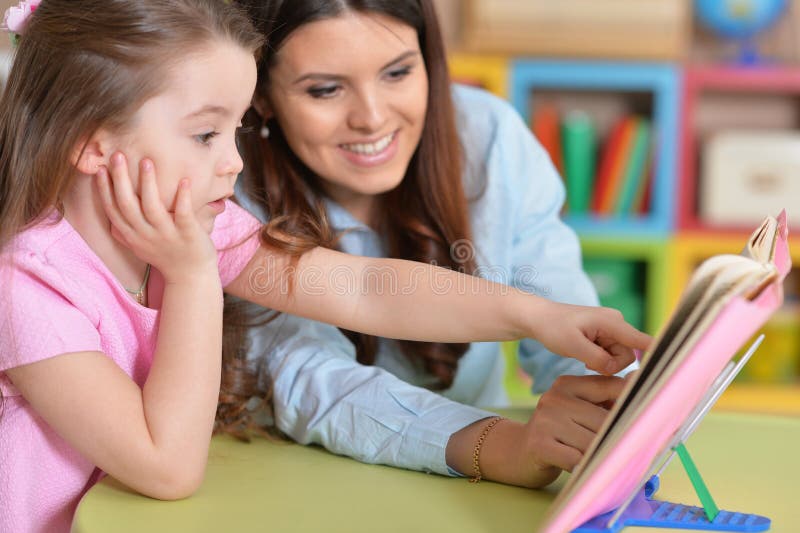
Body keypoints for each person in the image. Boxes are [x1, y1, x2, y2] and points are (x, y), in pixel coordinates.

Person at [0, 1, 649, 531]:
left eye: (233, 130)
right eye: (205, 135)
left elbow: (364, 286)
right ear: (91, 144)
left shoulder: (199, 224)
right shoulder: (28, 289)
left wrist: (539, 313)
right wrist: (195, 277)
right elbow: (167, 466)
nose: (232, 161)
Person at [228, 0, 646, 490]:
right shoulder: (226, 182)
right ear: (260, 95)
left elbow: (567, 316)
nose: (372, 117)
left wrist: (613, 403)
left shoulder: (490, 137)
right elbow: (304, 378)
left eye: (398, 72)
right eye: (325, 89)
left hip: (482, 481)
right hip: (299, 478)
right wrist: (503, 446)